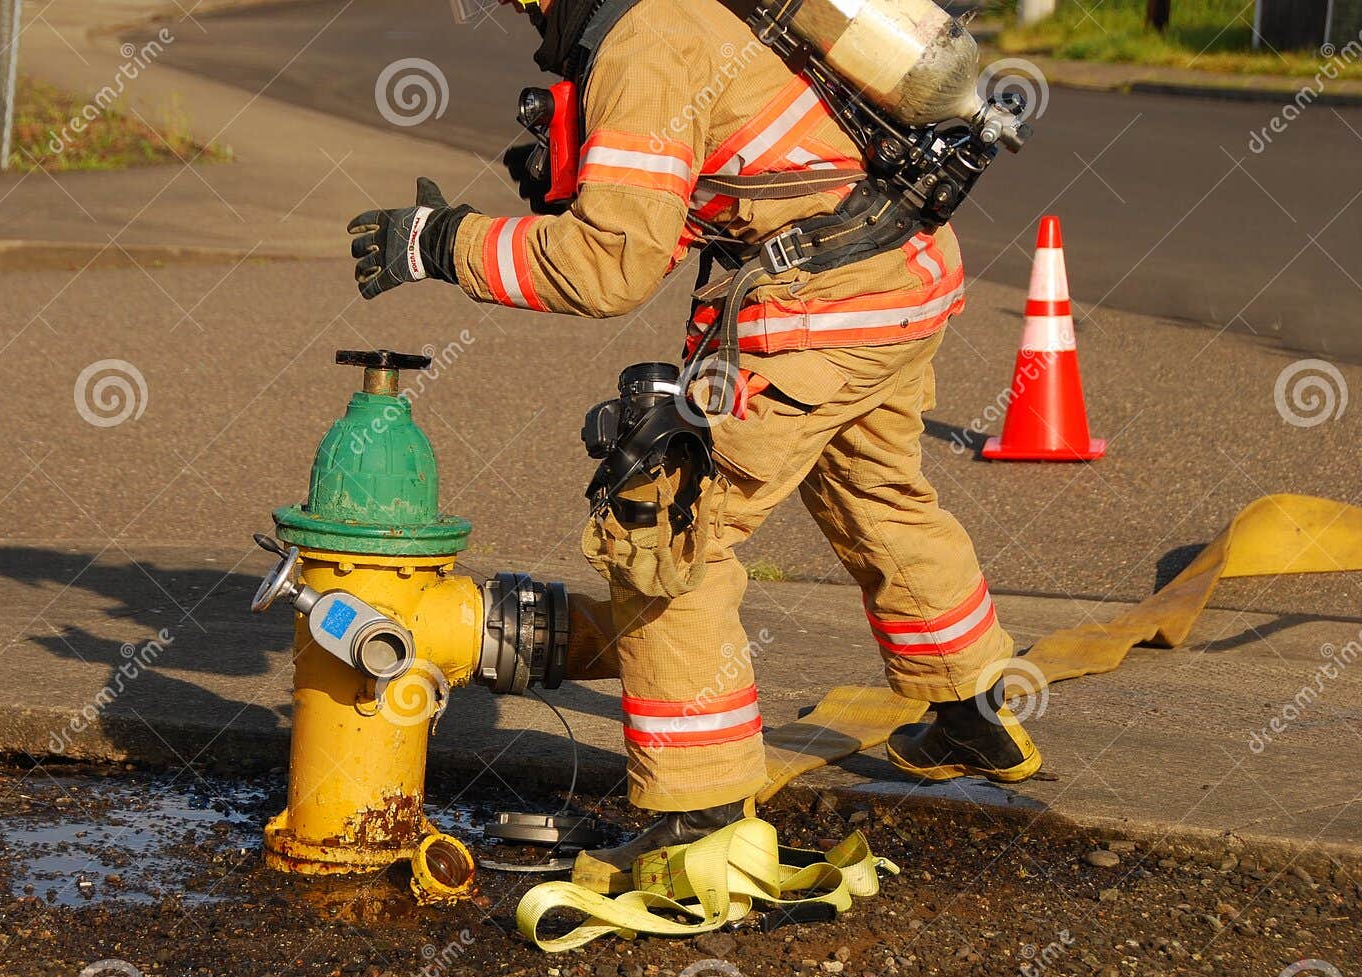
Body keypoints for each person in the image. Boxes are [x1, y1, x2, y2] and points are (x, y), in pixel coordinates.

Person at [347, 0, 1041, 873]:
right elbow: (731, 176)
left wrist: (443, 244)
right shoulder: (710, 9)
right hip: (901, 278)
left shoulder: (648, 40)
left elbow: (609, 267)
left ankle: (701, 814)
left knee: (665, 532)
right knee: (880, 497)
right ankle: (969, 710)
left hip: (816, 312)